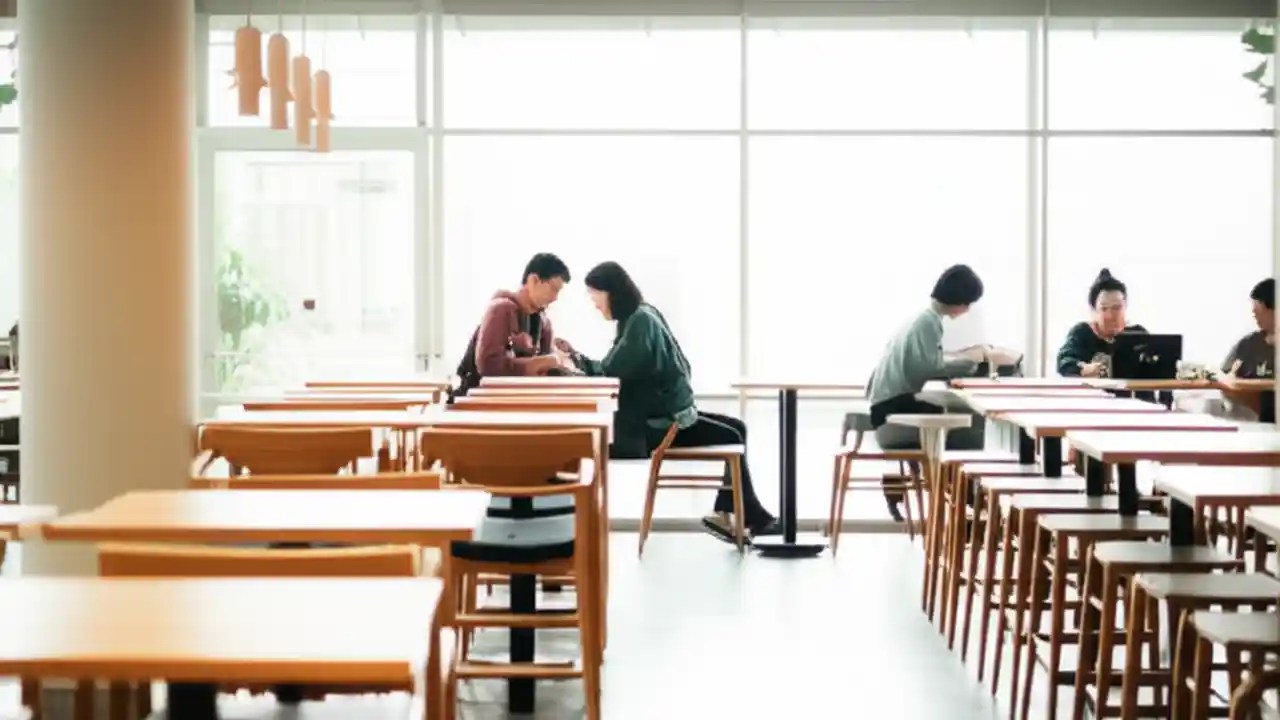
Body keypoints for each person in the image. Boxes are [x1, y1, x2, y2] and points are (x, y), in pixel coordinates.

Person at [559, 261, 779, 542]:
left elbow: (612, 370)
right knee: (734, 432)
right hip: (670, 416)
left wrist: (574, 361)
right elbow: (616, 367)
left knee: (736, 430)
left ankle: (733, 514)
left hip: (660, 424)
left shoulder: (639, 323)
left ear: (611, 292)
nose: (595, 304)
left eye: (595, 295)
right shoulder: (644, 314)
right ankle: (742, 515)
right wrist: (577, 357)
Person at [865, 264, 989, 522]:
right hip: (891, 415)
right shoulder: (929, 323)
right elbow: (927, 367)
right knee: (968, 420)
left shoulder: (922, 318)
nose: (968, 309)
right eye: (968, 303)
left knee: (954, 411)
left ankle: (956, 494)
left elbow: (926, 362)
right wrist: (970, 362)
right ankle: (965, 498)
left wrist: (957, 360)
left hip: (885, 408)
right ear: (959, 300)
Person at [453, 253, 576, 396]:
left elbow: (547, 367)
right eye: (553, 289)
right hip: (482, 398)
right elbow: (488, 365)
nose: (555, 298)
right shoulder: (501, 309)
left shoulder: (543, 322)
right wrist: (536, 364)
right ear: (533, 280)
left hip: (521, 397)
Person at [1056, 268, 1147, 378]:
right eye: (1104, 309)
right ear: (1094, 310)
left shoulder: (1138, 335)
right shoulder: (1082, 333)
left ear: (1125, 307)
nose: (1110, 315)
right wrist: (1083, 368)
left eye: (1117, 308)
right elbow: (1064, 360)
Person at [1220, 278, 1275, 422]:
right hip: (1257, 420)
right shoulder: (1248, 344)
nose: (1254, 313)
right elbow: (1226, 377)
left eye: (1258, 308)